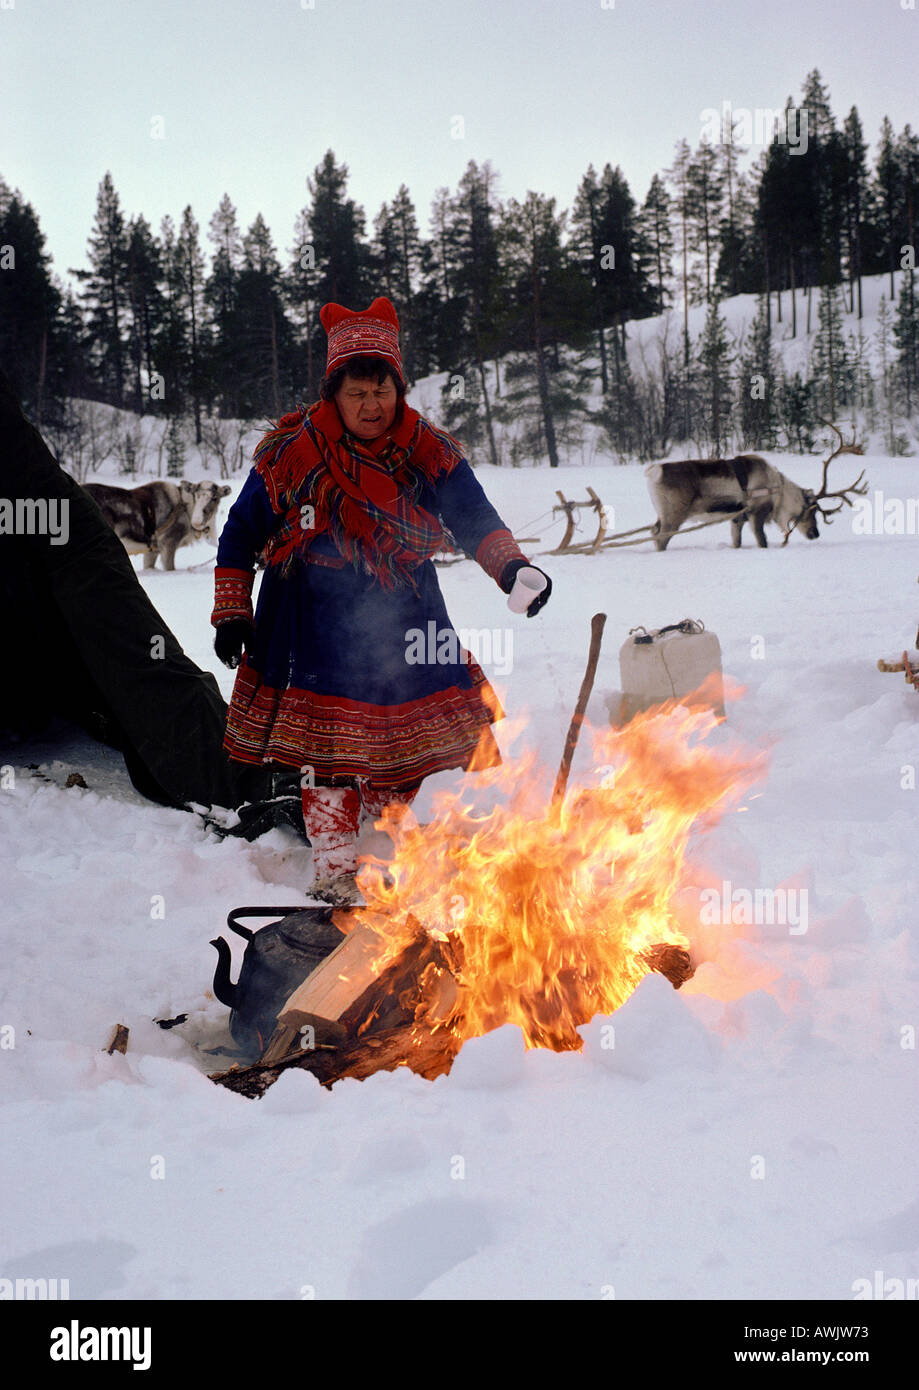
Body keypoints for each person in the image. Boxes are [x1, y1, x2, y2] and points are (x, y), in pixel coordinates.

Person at [211, 296, 551, 900]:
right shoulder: (292, 453)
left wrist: (512, 569)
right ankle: (336, 867)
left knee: (403, 747)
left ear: (400, 387)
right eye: (357, 394)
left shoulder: (428, 450)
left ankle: (384, 835)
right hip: (310, 616)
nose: (372, 406)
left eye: (383, 391)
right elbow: (240, 533)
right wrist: (233, 611)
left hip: (406, 612)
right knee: (328, 752)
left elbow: (472, 515)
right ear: (333, 394)